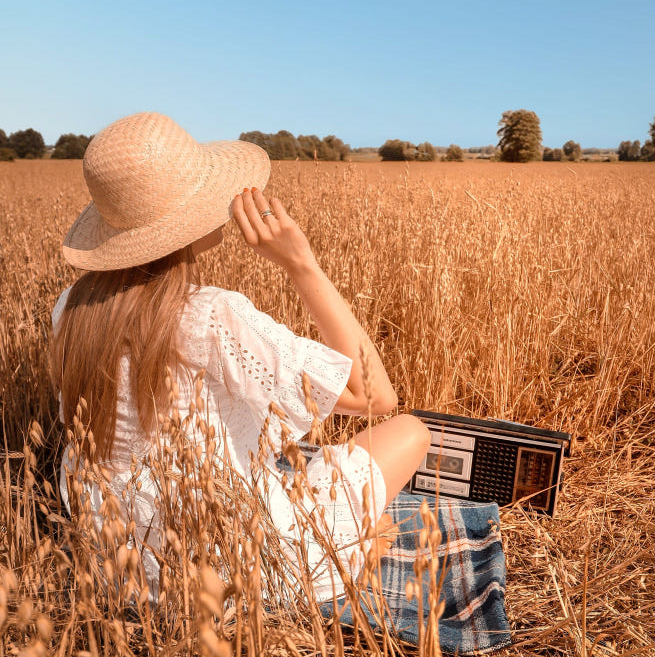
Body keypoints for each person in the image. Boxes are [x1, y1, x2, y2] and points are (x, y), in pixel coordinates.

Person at [49, 112, 431, 602]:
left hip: (118, 554)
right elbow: (374, 395)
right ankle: (354, 551)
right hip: (229, 559)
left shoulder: (71, 306)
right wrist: (301, 263)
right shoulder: (210, 314)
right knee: (410, 432)